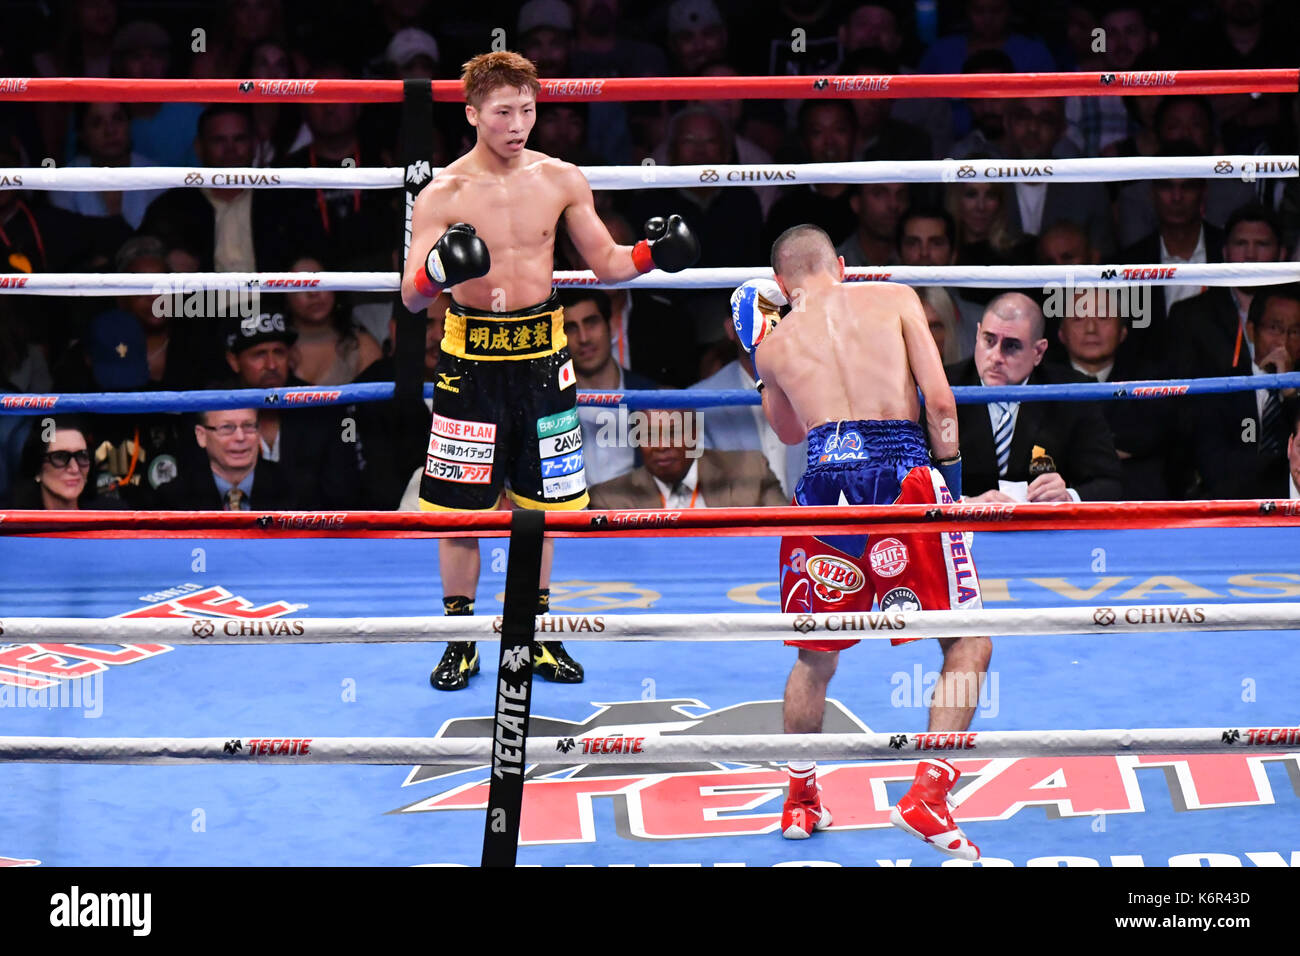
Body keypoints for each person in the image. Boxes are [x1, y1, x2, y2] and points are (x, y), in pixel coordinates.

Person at [400, 51, 698, 692]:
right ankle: (462, 640)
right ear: (473, 112)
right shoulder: (442, 193)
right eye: (503, 112)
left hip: (542, 357)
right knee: (459, 511)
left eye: (527, 110)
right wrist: (439, 271)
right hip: (469, 362)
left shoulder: (561, 178)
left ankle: (534, 636)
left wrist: (654, 254)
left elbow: (610, 265)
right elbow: (411, 296)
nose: (517, 124)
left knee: (545, 504)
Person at [739, 225, 987, 860]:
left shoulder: (774, 347)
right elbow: (940, 403)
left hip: (823, 487)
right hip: (902, 476)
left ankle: (800, 796)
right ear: (842, 266)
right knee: (967, 639)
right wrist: (951, 489)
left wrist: (760, 354)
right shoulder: (896, 296)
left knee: (815, 657)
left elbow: (792, 434)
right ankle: (928, 791)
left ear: (782, 288)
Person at [946, 293, 1123, 502]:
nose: (995, 357)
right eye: (989, 340)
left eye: (1011, 345)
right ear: (977, 335)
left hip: (1045, 530)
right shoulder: (944, 387)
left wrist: (1068, 497)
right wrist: (964, 503)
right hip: (963, 530)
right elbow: (914, 479)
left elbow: (1109, 484)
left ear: (1038, 352)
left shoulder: (1072, 392)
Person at [154, 408, 295, 511]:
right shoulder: (173, 499)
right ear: (201, 436)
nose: (240, 437)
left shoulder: (294, 489)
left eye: (248, 426)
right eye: (227, 428)